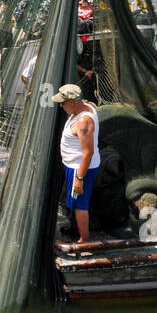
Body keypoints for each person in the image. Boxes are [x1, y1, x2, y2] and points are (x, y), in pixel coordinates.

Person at [53, 83, 101, 242]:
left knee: (81, 204)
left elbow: (88, 152)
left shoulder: (83, 122)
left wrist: (79, 178)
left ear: (72, 102)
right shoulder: (85, 107)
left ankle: (84, 239)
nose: (61, 105)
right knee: (77, 201)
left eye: (63, 102)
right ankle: (79, 230)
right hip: (74, 165)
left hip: (79, 167)